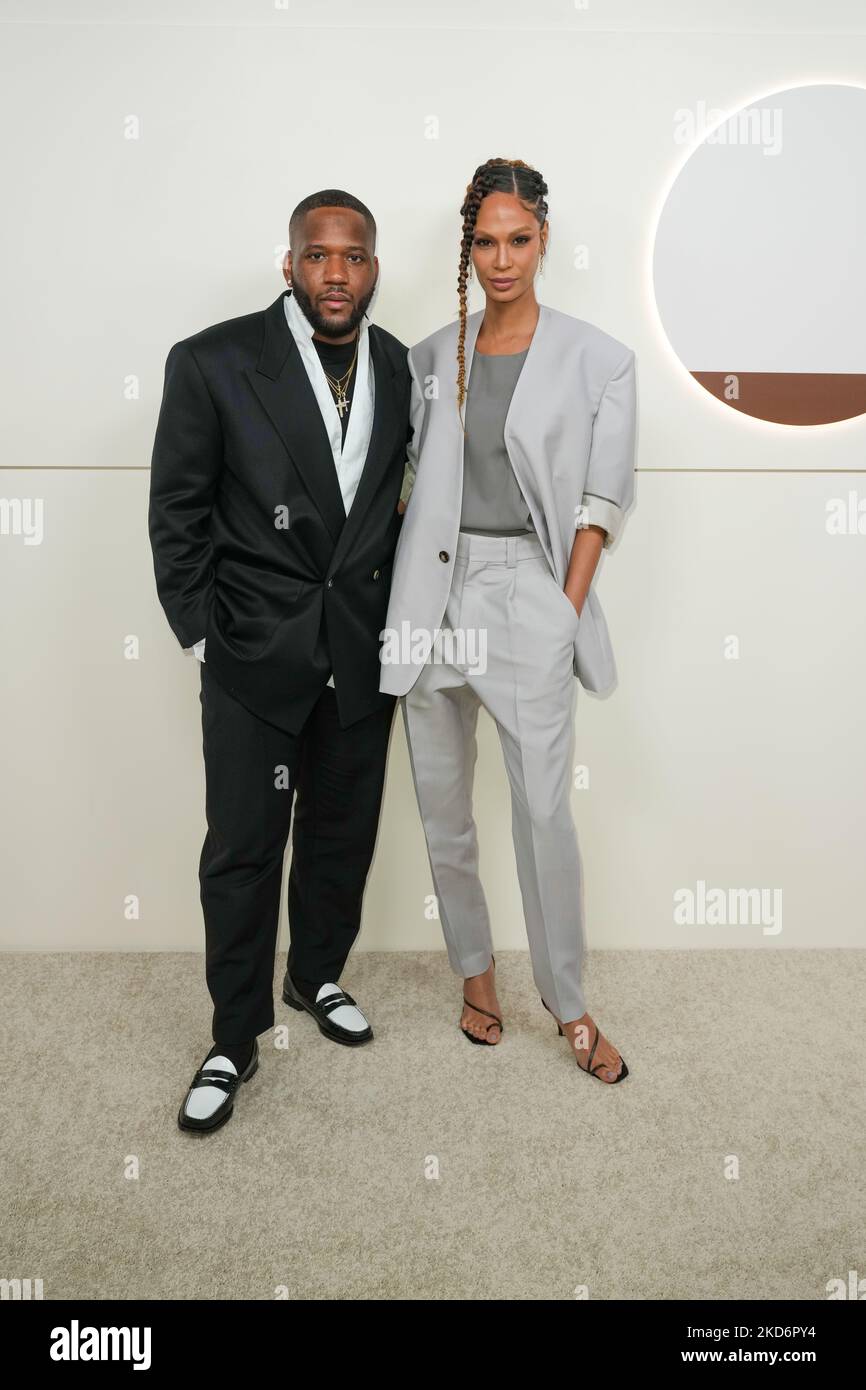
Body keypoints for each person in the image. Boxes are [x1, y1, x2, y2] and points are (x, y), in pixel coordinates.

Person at [148, 190, 411, 1131]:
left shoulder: (396, 366)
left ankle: (315, 976)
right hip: (254, 656)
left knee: (342, 833)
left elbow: (396, 510)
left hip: (359, 655)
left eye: (355, 256)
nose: (336, 273)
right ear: (288, 264)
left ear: (374, 268)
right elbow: (177, 512)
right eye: (317, 255)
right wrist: (203, 632)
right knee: (245, 849)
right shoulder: (214, 362)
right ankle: (232, 1038)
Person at [380, 158, 637, 1083]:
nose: (501, 259)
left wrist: (563, 609)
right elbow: (405, 489)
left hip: (531, 594)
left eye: (518, 240)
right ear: (469, 246)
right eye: (485, 242)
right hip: (430, 598)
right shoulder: (426, 358)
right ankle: (475, 974)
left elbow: (602, 501)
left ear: (544, 240)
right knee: (443, 812)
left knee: (542, 814)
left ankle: (569, 1005)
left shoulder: (600, 359)